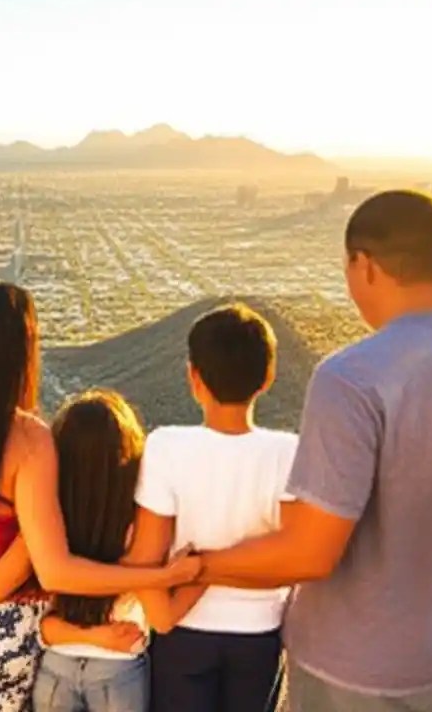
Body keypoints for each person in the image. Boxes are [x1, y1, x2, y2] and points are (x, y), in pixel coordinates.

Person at [196, 190, 432, 711]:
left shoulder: (352, 377)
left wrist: (197, 566)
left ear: (363, 264)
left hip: (354, 668)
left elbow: (310, 553)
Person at [0, 282, 200, 712]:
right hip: (2, 637)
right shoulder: (29, 440)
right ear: (18, 352)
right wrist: (159, 578)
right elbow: (56, 571)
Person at [0, 389, 207, 712]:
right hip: (118, 672)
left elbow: (7, 600)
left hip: (54, 671)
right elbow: (160, 618)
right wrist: (202, 573)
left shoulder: (44, 528)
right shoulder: (138, 526)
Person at [123, 303, 296, 712]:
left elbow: (145, 557)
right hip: (259, 633)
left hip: (183, 633)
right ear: (268, 378)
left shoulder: (166, 446)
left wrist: (161, 617)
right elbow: (293, 555)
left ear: (193, 377)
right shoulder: (289, 452)